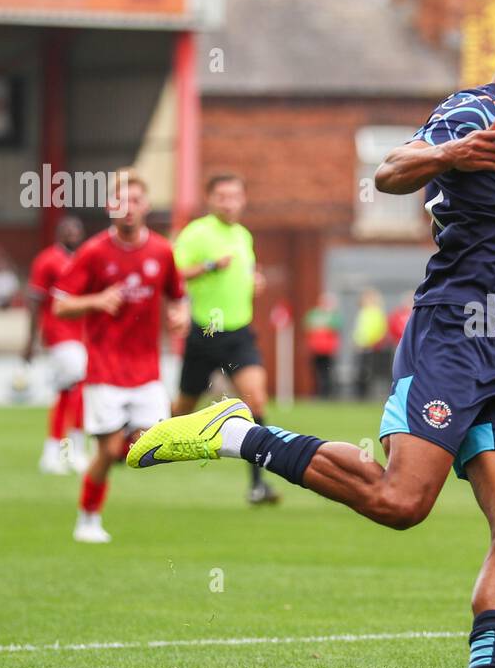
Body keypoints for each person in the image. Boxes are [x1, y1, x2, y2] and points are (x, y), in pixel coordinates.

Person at [127, 0, 495, 668]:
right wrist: (446, 154)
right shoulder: (477, 110)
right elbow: (391, 170)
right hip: (458, 337)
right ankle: (234, 435)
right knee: (400, 501)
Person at [53, 168, 187, 543]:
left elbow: (178, 297)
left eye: (136, 201)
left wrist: (181, 317)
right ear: (110, 206)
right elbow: (61, 305)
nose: (129, 208)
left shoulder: (162, 251)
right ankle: (87, 518)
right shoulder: (94, 252)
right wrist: (97, 300)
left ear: (147, 206)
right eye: (121, 201)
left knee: (154, 444)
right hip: (105, 370)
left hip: (147, 372)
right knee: (110, 451)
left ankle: (122, 442)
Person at [171, 173, 278, 505]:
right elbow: (173, 273)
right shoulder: (197, 233)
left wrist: (254, 280)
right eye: (222, 196)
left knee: (256, 401)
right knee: (183, 409)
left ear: (243, 199)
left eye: (235, 196)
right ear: (210, 199)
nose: (229, 202)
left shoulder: (243, 235)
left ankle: (258, 485)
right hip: (205, 333)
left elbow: (245, 274)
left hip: (239, 334)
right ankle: (143, 442)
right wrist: (208, 266)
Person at [25, 216, 89, 474]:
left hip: (83, 334)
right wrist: (29, 340)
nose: (73, 234)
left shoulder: (86, 259)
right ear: (58, 234)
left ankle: (54, 453)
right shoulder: (47, 260)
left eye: (77, 230)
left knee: (68, 392)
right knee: (79, 384)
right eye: (68, 230)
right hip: (59, 333)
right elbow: (34, 301)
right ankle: (74, 451)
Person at [351, 288, 388, 400]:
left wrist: (368, 343)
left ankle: (367, 395)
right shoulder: (363, 312)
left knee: (369, 372)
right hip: (361, 347)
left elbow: (379, 330)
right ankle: (360, 395)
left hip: (370, 347)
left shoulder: (376, 312)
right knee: (360, 371)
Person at [304, 292, 341, 399]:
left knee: (328, 372)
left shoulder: (333, 315)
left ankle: (327, 393)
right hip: (316, 349)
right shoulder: (314, 313)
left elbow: (335, 326)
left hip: (328, 349)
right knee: (316, 372)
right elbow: (308, 325)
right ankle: (318, 392)